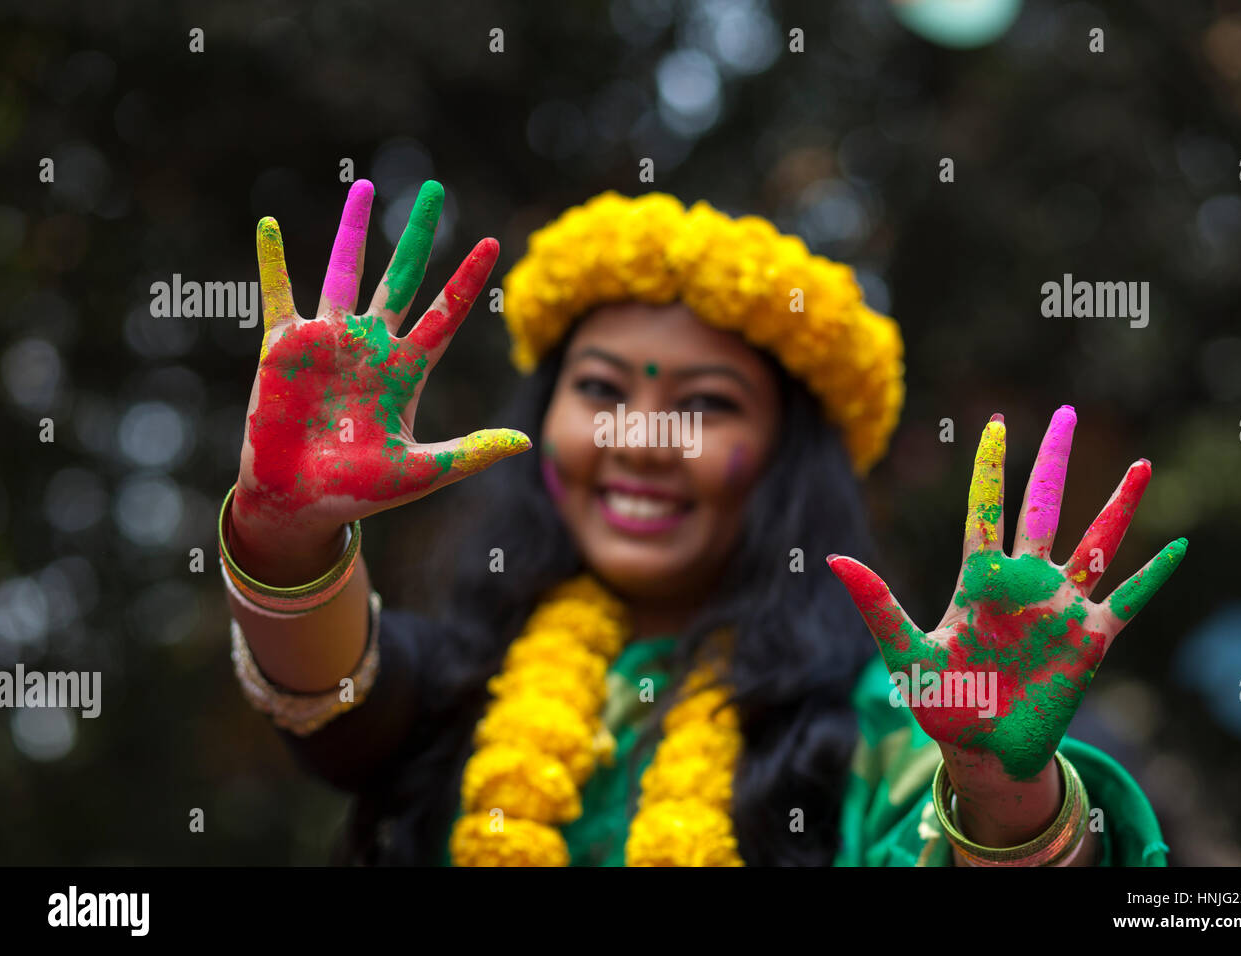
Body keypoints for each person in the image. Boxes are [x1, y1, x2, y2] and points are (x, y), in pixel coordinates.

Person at [219, 179, 1184, 866]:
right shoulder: (464, 681)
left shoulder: (883, 730)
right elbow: (333, 692)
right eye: (598, 390)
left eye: (708, 403)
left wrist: (1002, 789)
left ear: (785, 460)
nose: (641, 439)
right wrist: (282, 529)